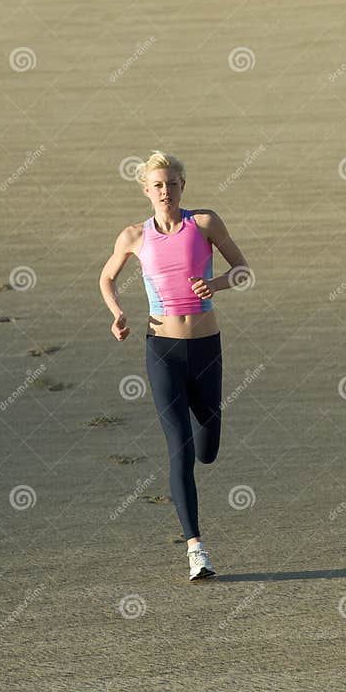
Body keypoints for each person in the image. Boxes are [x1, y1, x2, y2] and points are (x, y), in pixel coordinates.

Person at [99, 151, 252, 581]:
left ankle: (208, 444)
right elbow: (106, 277)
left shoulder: (203, 224)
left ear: (183, 186)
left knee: (208, 449)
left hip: (206, 349)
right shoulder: (133, 236)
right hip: (161, 349)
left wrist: (217, 283)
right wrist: (116, 313)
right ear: (146, 190)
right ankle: (196, 549)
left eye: (172, 183)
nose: (165, 191)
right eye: (158, 185)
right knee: (180, 450)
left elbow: (243, 269)